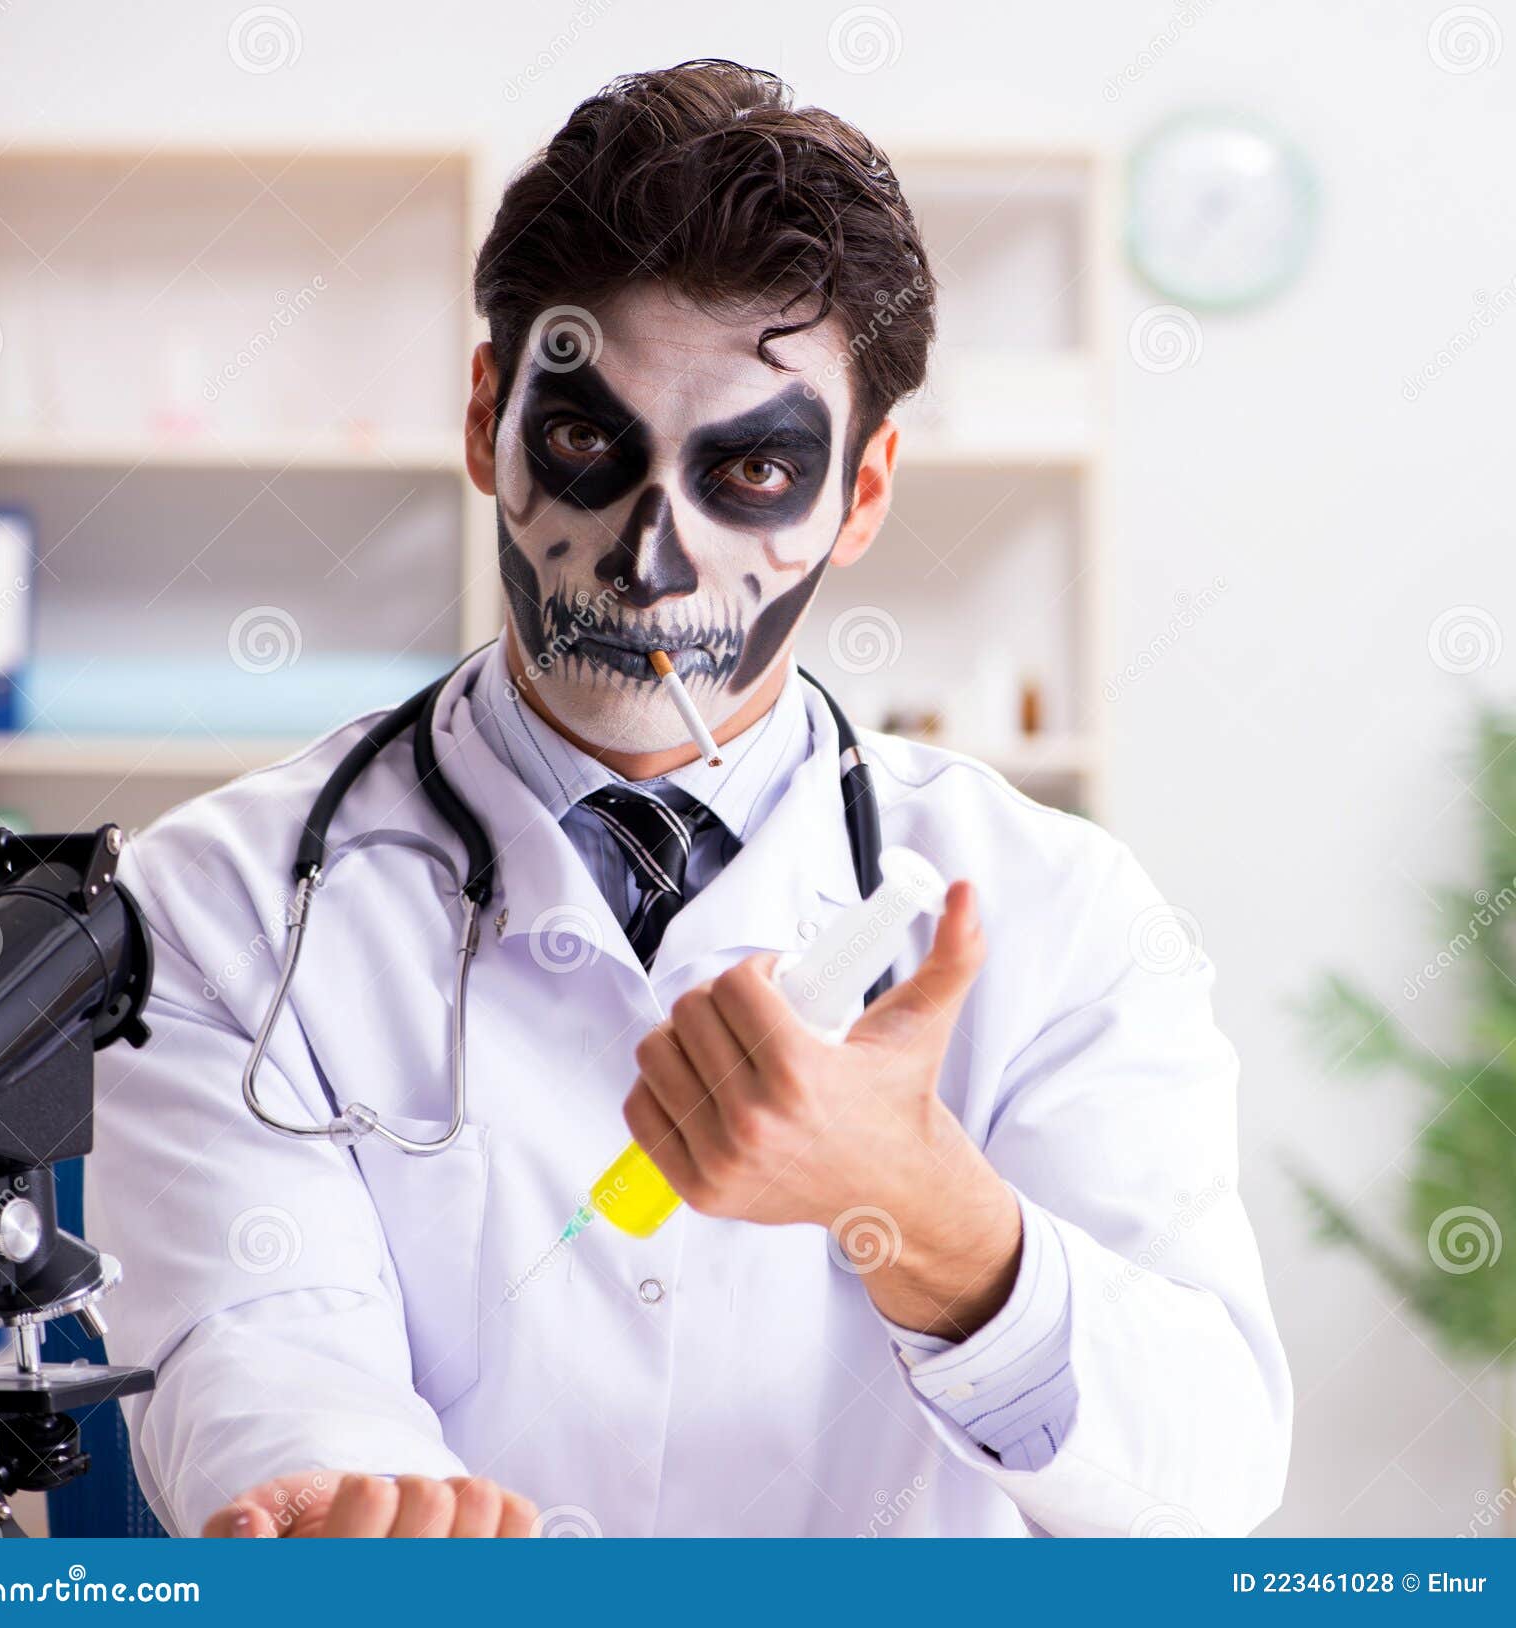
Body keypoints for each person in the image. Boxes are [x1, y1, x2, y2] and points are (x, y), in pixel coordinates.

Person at [87, 59, 1290, 1539]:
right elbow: (258, 1347)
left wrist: (933, 1217)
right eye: (588, 443)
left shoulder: (1062, 913)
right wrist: (353, 1512)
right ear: (487, 421)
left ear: (862, 493)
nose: (650, 562)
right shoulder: (220, 904)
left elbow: (1208, 1482)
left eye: (757, 470)